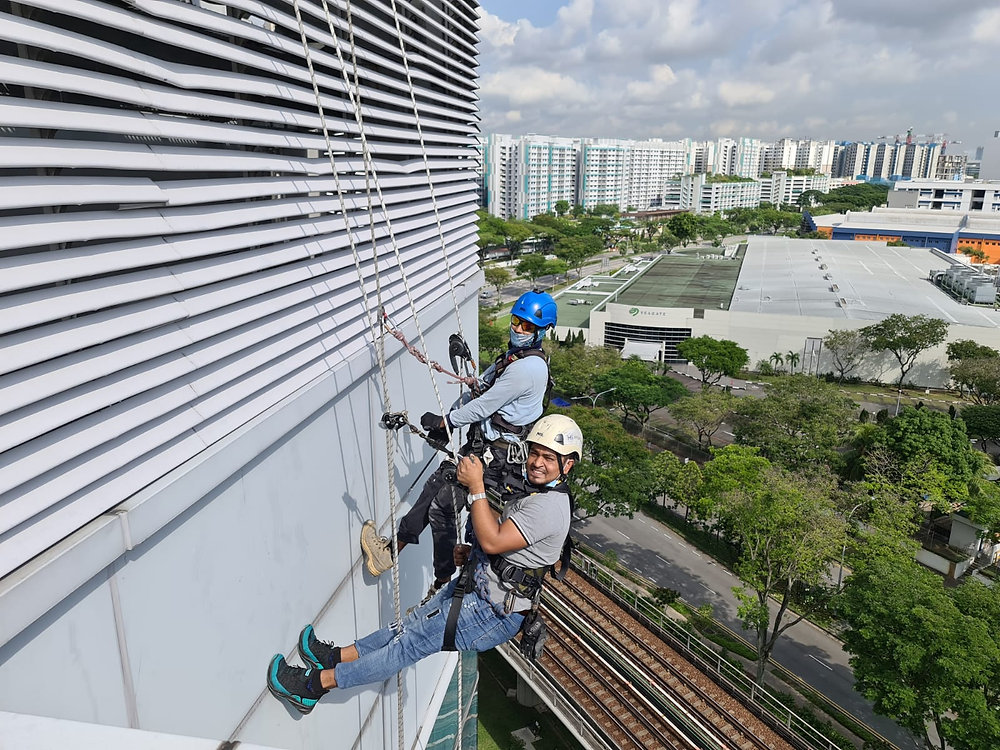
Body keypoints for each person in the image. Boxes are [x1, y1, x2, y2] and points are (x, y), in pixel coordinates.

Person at [266, 414, 583, 714]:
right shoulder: (539, 494)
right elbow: (504, 540)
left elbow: (493, 540)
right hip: (481, 591)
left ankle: (312, 686)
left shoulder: (548, 507)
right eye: (535, 453)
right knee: (402, 628)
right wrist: (473, 554)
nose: (538, 462)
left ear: (567, 464)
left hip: (490, 611)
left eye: (549, 457)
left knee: (405, 646)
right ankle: (335, 657)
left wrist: (476, 488)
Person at [360, 290, 558, 603]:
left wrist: (446, 422)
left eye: (527, 327)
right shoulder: (513, 359)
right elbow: (479, 390)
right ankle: (397, 556)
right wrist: (450, 416)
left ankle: (435, 575)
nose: (519, 330)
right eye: (517, 322)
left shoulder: (528, 369)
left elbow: (484, 405)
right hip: (487, 449)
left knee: (442, 502)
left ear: (542, 332)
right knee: (438, 491)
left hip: (498, 458)